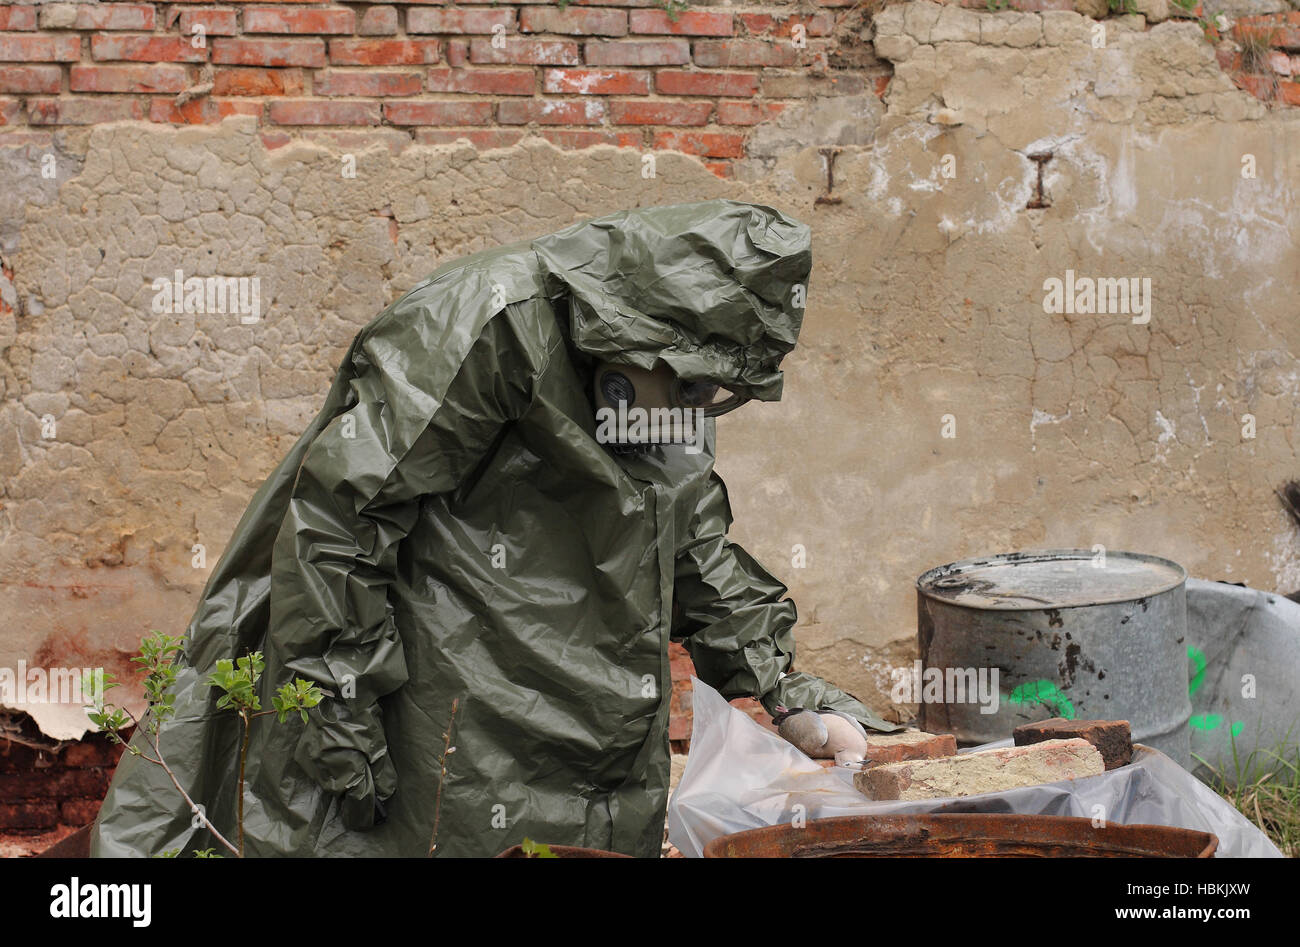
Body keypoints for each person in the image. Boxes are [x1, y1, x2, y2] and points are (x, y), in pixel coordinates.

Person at [92, 200, 894, 858]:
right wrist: (338, 710)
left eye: (712, 390)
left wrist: (783, 688)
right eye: (689, 383)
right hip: (448, 691)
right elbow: (343, 519)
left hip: (596, 714)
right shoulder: (488, 320)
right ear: (636, 334)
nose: (698, 404)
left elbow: (691, 538)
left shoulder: (672, 370)